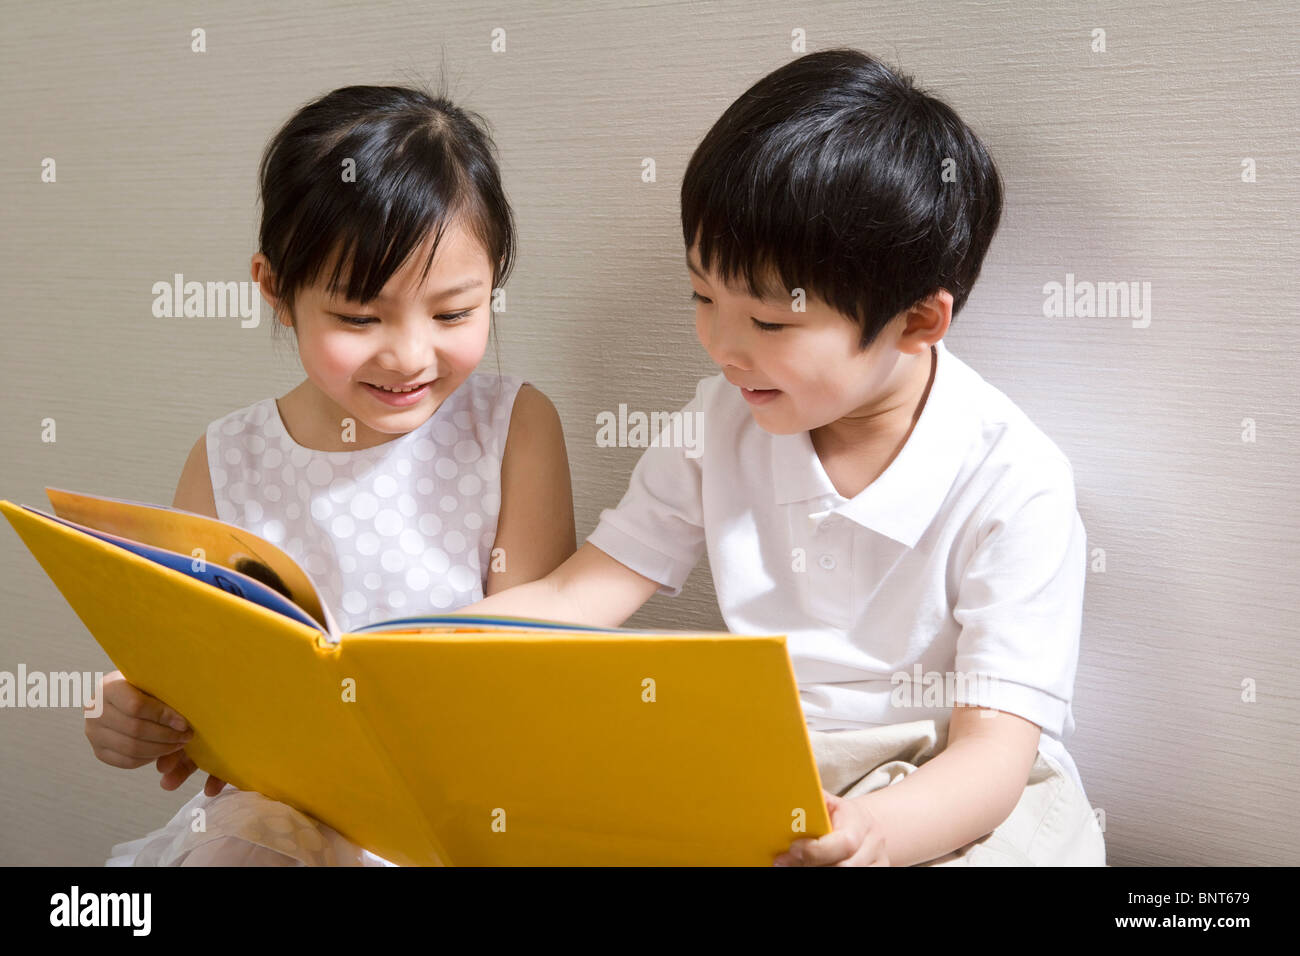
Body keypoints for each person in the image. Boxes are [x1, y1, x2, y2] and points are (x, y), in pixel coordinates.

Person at [463, 49, 1107, 867]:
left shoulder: (1016, 483)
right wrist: (407, 644)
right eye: (702, 296)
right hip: (777, 762)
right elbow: (579, 593)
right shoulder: (718, 424)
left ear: (917, 322)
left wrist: (874, 832)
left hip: (952, 784)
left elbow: (994, 758)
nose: (722, 347)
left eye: (770, 324)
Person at [88, 84, 576, 865]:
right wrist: (132, 707)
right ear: (276, 290)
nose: (409, 355)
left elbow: (539, 656)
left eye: (454, 314)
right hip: (281, 820)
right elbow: (187, 659)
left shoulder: (513, 427)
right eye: (359, 318)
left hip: (458, 813)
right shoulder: (227, 458)